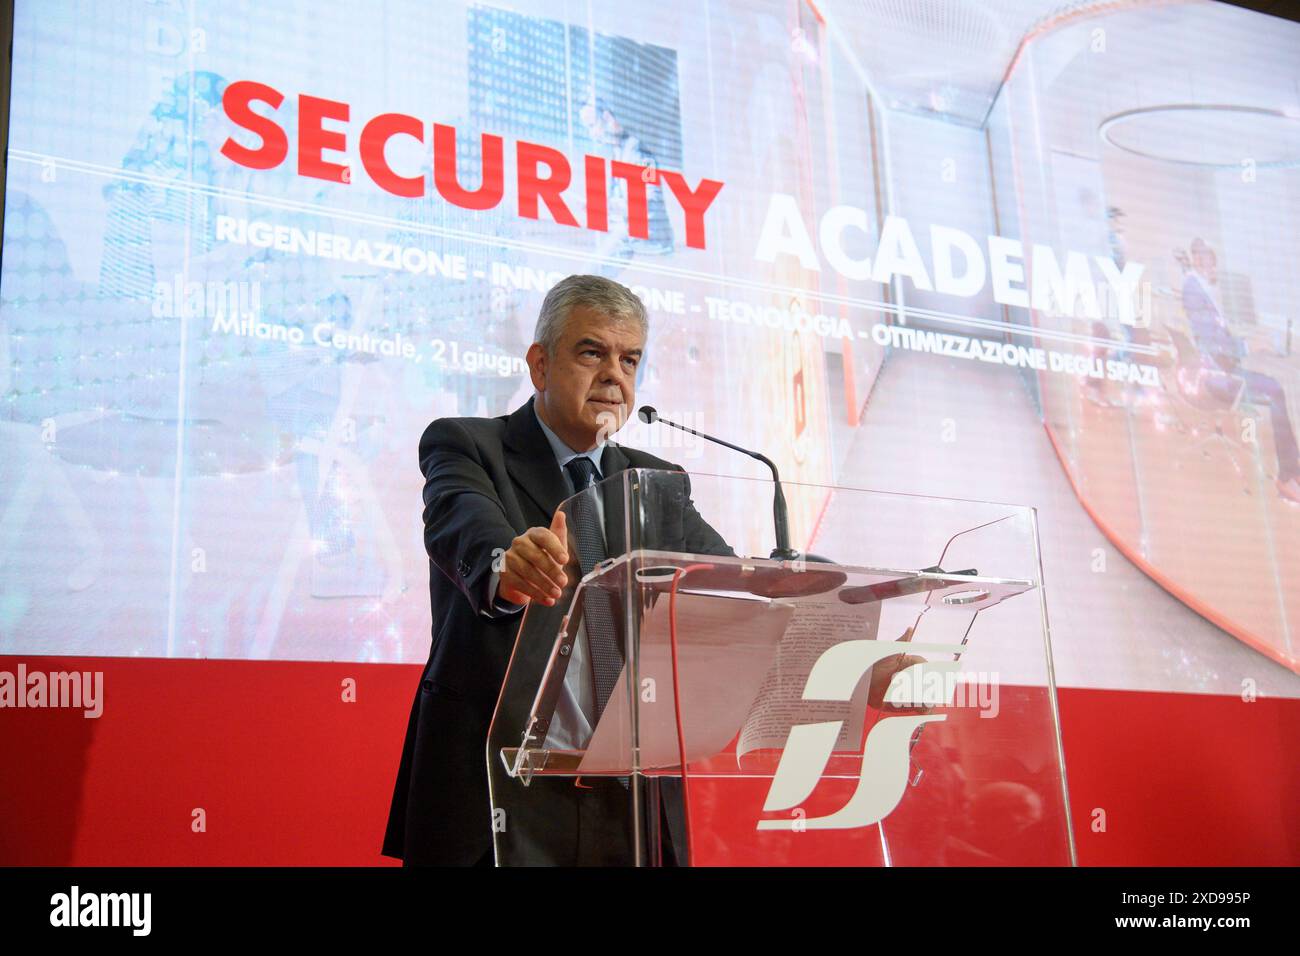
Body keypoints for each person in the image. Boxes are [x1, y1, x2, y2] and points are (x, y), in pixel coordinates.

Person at [382, 274, 733, 866]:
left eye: (630, 359)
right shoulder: (468, 446)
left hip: (628, 800)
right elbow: (466, 529)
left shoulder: (655, 482)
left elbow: (732, 584)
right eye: (591, 352)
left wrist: (850, 656)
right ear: (540, 366)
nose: (614, 376)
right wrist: (510, 569)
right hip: (495, 793)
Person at [1181, 239, 1300, 503]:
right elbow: (1213, 344)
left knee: (1272, 384)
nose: (1216, 269)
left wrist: (1250, 342)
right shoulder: (1193, 290)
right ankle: (1287, 478)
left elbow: (1215, 336)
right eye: (1212, 261)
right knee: (1275, 390)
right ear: (1200, 260)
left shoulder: (1198, 288)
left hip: (1216, 368)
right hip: (1214, 378)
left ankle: (1294, 470)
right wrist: (1248, 345)